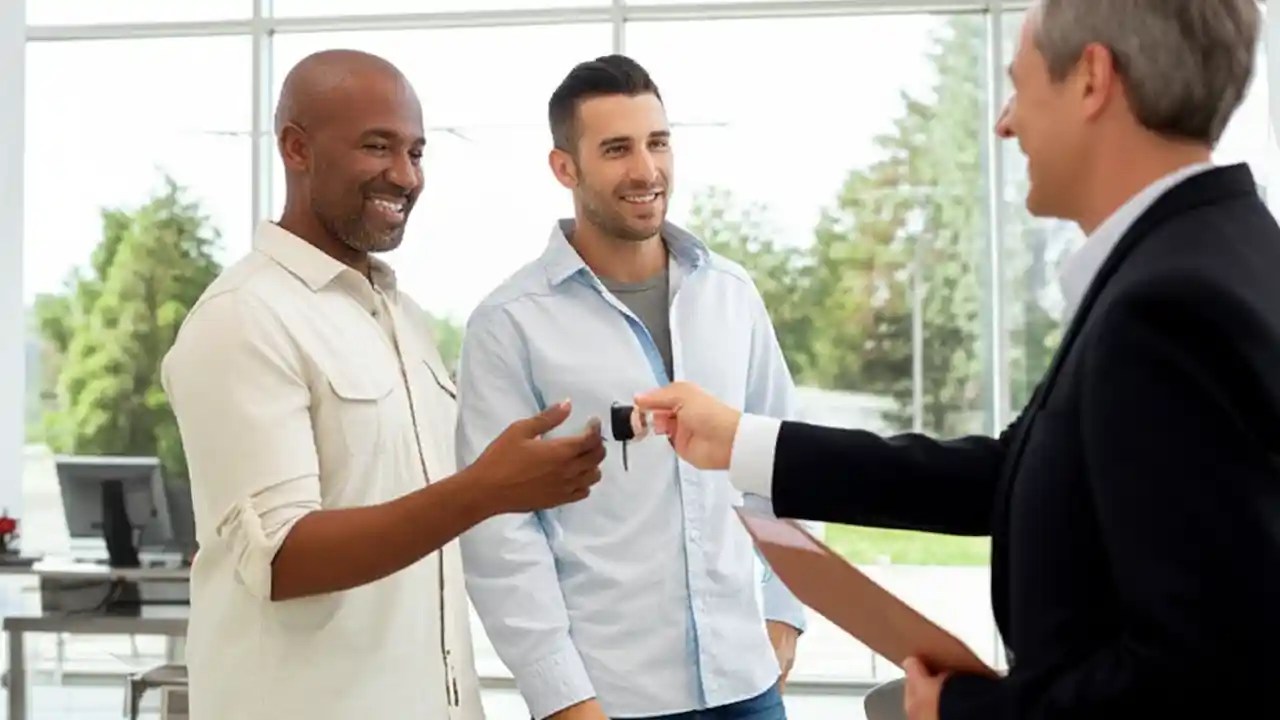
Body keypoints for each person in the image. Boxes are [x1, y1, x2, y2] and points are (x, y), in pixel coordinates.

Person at [633, 2, 1280, 719]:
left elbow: (1203, 677)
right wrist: (744, 442)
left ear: (1092, 79)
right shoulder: (1219, 256)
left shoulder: (1170, 306)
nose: (1006, 122)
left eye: (1020, 86)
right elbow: (1014, 473)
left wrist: (964, 710)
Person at [161, 49, 605, 720]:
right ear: (296, 148)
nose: (405, 175)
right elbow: (284, 559)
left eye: (417, 152)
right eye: (377, 147)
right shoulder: (243, 319)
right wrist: (483, 490)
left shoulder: (401, 317)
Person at [454, 54, 807, 720]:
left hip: (748, 685)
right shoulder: (510, 324)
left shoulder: (730, 294)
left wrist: (785, 613)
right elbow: (501, 533)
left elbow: (779, 455)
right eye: (616, 149)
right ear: (566, 168)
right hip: (609, 698)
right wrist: (562, 695)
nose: (646, 170)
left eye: (658, 142)